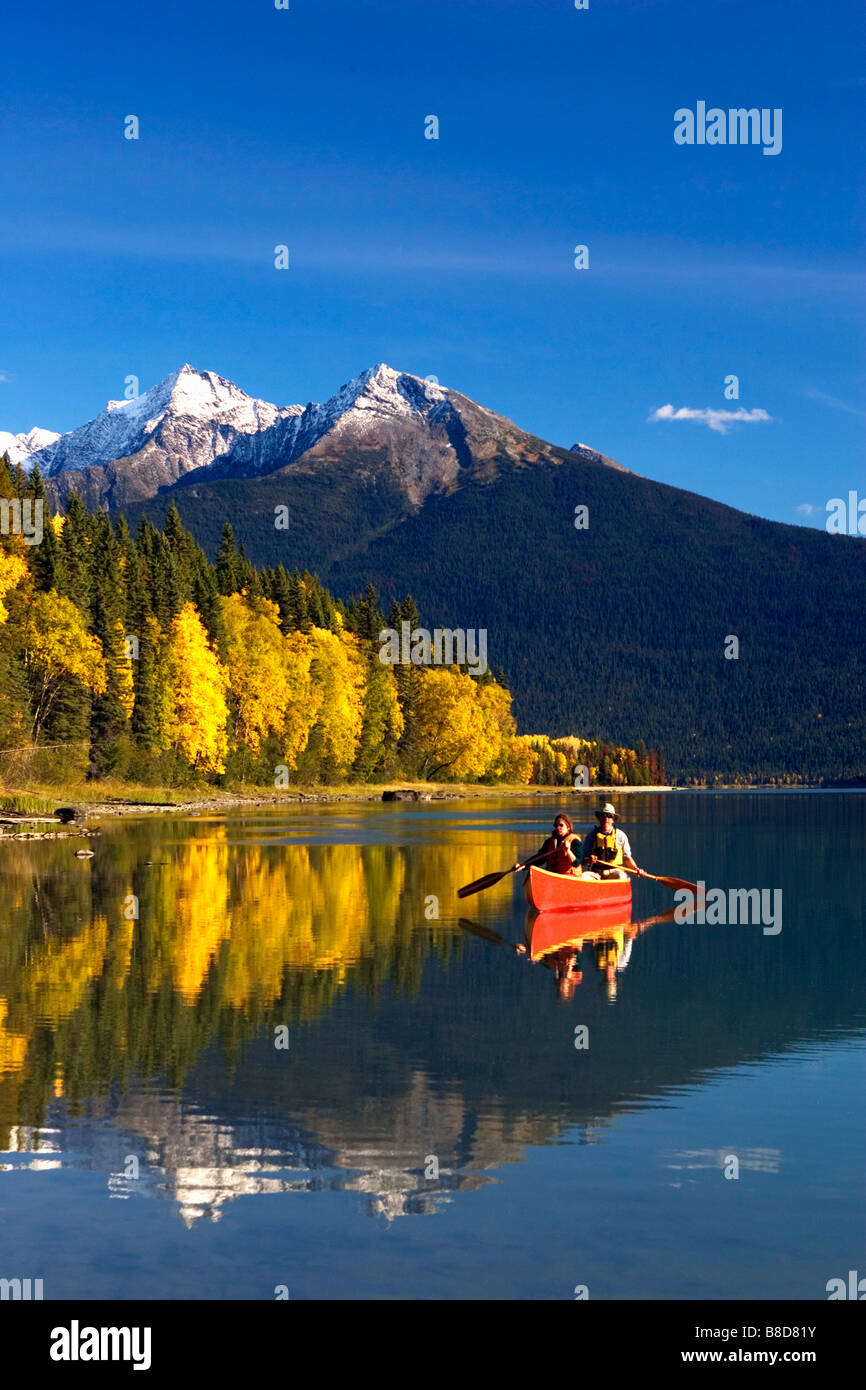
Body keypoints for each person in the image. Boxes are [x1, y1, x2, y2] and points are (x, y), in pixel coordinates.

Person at [581, 802, 646, 881]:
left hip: (615, 872)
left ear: (613, 820)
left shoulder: (620, 836)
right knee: (583, 876)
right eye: (603, 815)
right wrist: (589, 860)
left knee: (621, 877)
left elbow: (627, 858)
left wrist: (637, 869)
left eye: (609, 816)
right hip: (596, 872)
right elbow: (583, 860)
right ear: (599, 818)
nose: (606, 819)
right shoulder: (591, 836)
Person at [514, 815, 582, 876]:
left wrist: (568, 850)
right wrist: (523, 865)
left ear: (568, 827)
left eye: (561, 825)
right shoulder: (549, 842)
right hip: (552, 875)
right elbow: (540, 858)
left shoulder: (575, 841)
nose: (558, 828)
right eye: (556, 825)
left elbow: (576, 863)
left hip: (570, 875)